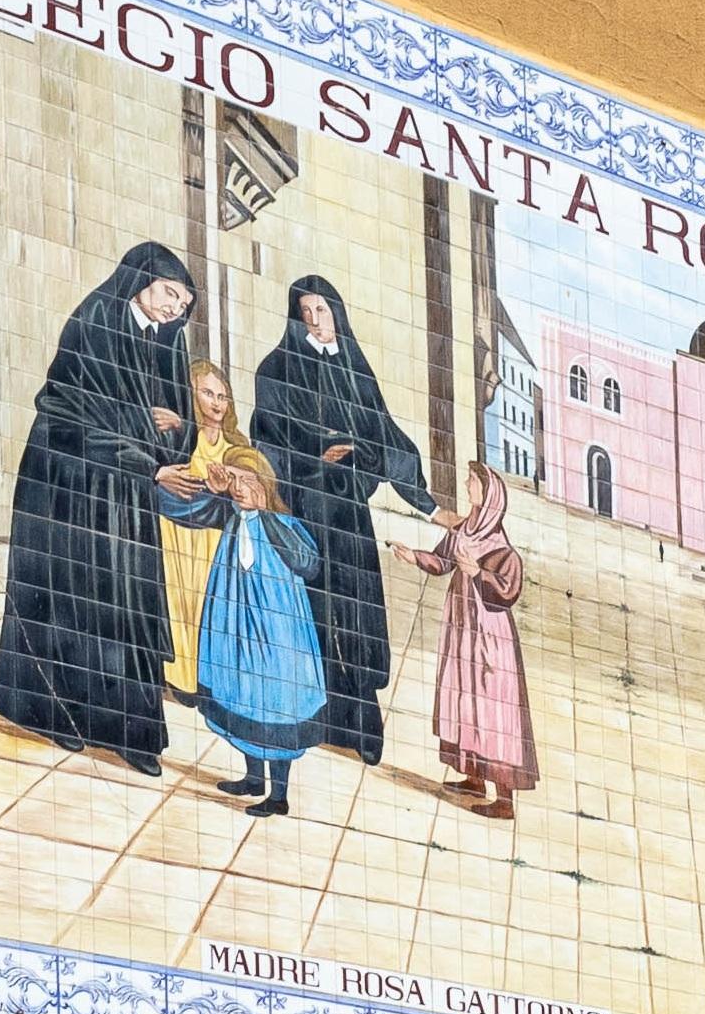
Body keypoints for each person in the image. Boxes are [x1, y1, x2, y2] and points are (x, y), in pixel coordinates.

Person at [0, 241, 196, 770]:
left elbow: (176, 420)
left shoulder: (169, 340)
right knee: (73, 601)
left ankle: (133, 734)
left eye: (184, 302)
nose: (176, 307)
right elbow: (68, 412)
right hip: (69, 484)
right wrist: (145, 461)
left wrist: (177, 432)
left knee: (127, 601)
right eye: (170, 293)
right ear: (142, 279)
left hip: (127, 491)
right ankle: (53, 715)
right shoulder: (97, 317)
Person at [247, 273, 434, 766]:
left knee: (356, 605)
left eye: (322, 310)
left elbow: (385, 433)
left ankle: (361, 718)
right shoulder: (275, 369)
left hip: (349, 513)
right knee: (314, 607)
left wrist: (426, 502)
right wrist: (314, 453)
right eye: (305, 312)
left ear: (337, 313)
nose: (315, 320)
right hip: (305, 508)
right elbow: (266, 440)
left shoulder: (355, 367)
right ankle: (316, 714)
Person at [409, 458, 537, 814]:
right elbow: (441, 562)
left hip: (490, 636)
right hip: (462, 629)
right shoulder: (465, 529)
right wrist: (413, 556)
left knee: (494, 705)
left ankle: (505, 800)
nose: (467, 485)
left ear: (489, 494)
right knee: (464, 696)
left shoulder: (498, 544)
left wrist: (479, 572)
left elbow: (509, 590)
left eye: (472, 482)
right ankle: (474, 776)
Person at [152, 352, 269, 700]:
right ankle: (177, 678)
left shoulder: (237, 447)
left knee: (208, 607)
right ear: (191, 393)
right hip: (175, 535)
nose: (216, 403)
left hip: (215, 542)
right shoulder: (180, 437)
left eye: (222, 396)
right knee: (177, 605)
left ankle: (202, 681)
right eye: (207, 393)